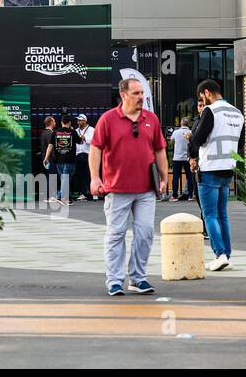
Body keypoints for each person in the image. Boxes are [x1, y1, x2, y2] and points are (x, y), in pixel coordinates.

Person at [89, 77, 167, 296]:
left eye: (142, 93)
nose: (141, 97)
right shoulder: (108, 119)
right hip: (117, 189)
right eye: (136, 93)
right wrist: (95, 178)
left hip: (146, 190)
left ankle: (138, 278)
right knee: (116, 234)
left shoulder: (151, 119)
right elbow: (95, 149)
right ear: (123, 95)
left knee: (145, 233)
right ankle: (114, 280)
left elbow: (160, 150)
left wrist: (164, 177)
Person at [188, 79, 244, 271]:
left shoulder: (210, 111)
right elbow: (241, 142)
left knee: (209, 214)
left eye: (201, 97)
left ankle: (219, 254)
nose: (202, 101)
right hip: (229, 168)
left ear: (206, 93)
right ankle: (226, 254)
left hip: (210, 167)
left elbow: (198, 138)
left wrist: (192, 152)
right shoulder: (237, 113)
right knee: (222, 214)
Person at [44, 114, 76, 203]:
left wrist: (46, 158)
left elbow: (50, 146)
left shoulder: (55, 132)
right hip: (70, 160)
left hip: (59, 161)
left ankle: (66, 198)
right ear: (69, 122)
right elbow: (80, 141)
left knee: (64, 179)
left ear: (61, 122)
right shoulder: (72, 132)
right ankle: (60, 196)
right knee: (66, 179)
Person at [169, 117, 195, 201]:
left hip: (177, 157)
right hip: (187, 157)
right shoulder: (190, 132)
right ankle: (190, 195)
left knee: (176, 176)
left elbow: (171, 141)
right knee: (189, 176)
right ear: (188, 124)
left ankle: (174, 195)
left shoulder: (176, 132)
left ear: (181, 123)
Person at [74, 113, 93, 201]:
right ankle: (82, 193)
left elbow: (94, 141)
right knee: (80, 175)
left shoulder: (91, 130)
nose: (78, 122)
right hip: (78, 155)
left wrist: (84, 138)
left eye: (80, 120)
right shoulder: (76, 130)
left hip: (88, 155)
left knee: (88, 174)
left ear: (85, 121)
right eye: (78, 120)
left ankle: (90, 193)